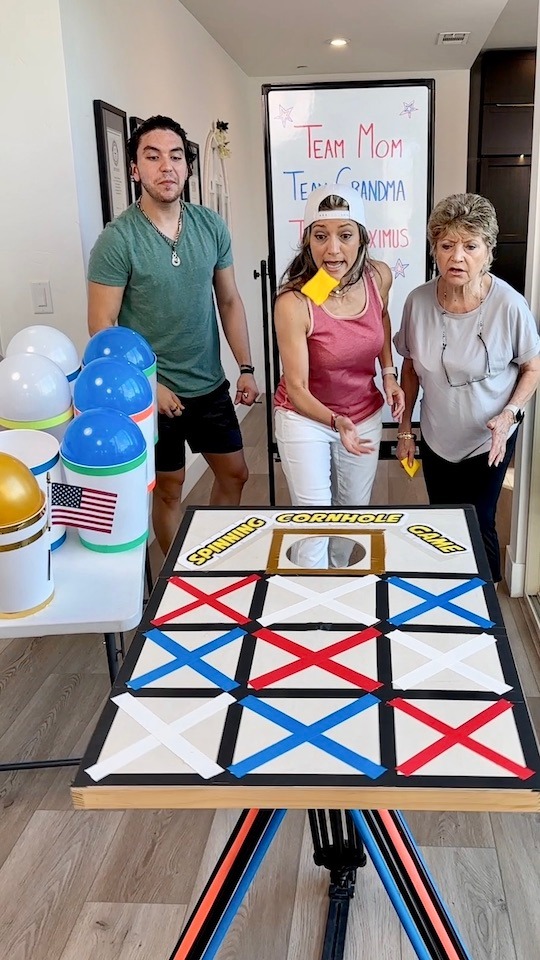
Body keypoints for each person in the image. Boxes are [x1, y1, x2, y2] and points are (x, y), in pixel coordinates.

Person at [87, 115, 258, 556]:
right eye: (153, 156)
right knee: (169, 488)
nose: (167, 166)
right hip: (150, 391)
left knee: (235, 473)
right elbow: (102, 327)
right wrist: (149, 385)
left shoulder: (211, 227)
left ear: (187, 166)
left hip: (208, 382)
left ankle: (211, 557)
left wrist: (245, 367)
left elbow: (230, 301)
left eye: (176, 156)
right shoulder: (118, 239)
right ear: (134, 169)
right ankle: (177, 576)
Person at [394, 192, 540, 582]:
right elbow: (409, 367)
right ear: (434, 250)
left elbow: (532, 367)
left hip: (488, 436)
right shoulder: (418, 302)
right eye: (446, 245)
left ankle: (487, 611)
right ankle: (446, 596)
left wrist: (509, 414)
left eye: (470, 246)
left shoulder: (509, 306)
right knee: (442, 521)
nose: (457, 257)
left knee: (479, 521)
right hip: (439, 433)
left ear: (488, 251)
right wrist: (406, 429)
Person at [273, 184, 405, 567]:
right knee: (315, 523)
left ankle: (344, 609)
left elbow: (378, 317)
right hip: (306, 418)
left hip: (362, 414)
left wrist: (390, 374)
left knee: (350, 521)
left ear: (362, 238)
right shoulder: (295, 302)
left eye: (345, 236)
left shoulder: (378, 277)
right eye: (321, 236)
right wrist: (335, 421)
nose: (332, 250)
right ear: (307, 241)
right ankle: (312, 619)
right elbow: (296, 388)